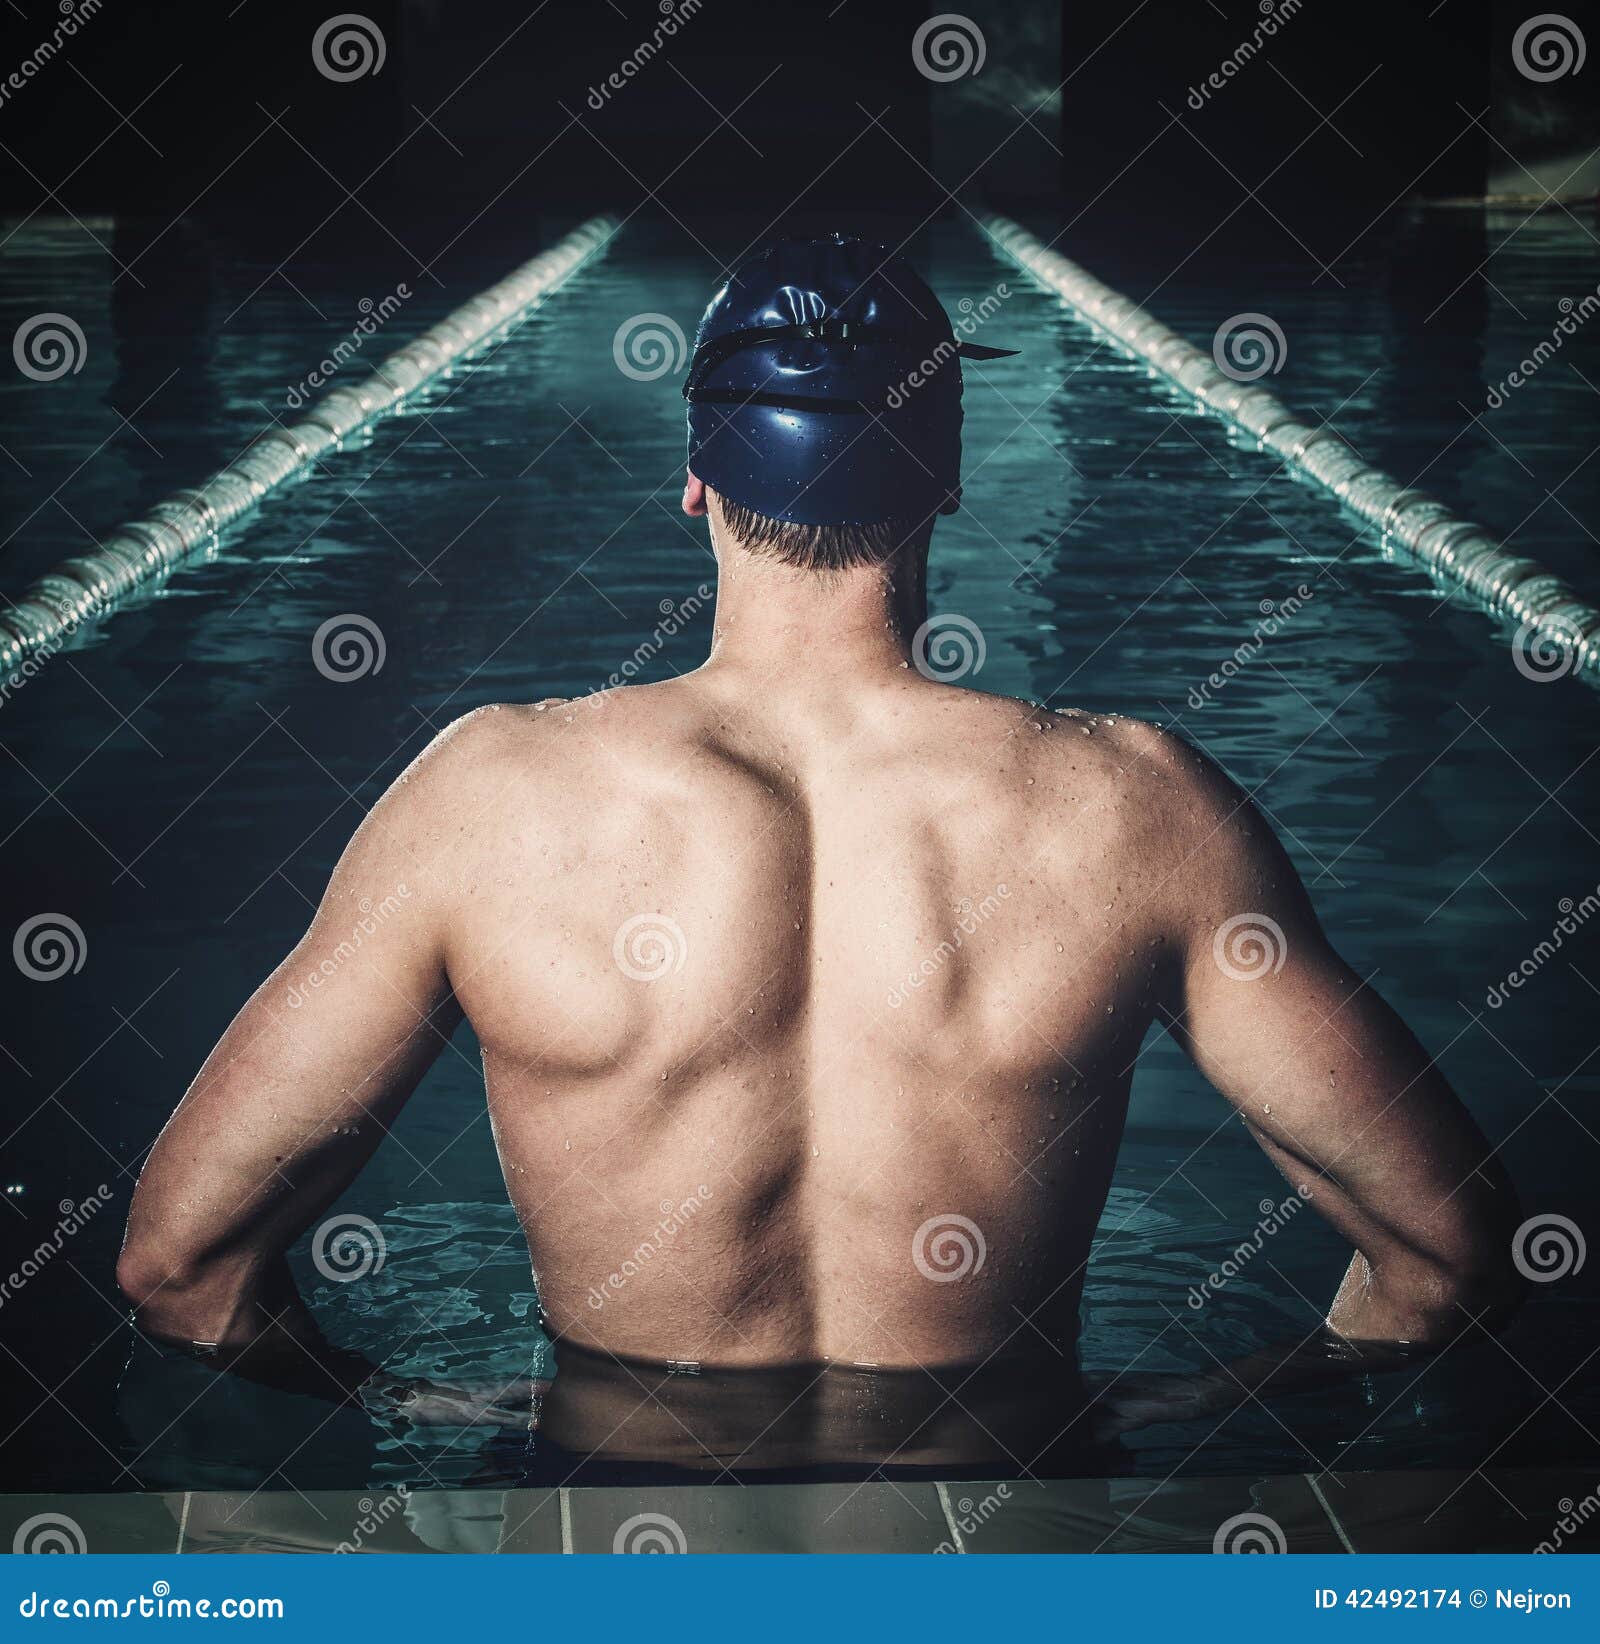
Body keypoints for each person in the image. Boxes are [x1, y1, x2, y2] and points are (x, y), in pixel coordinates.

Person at [117, 234, 1523, 1482]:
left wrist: (404, 1407)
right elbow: (1447, 1255)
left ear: (696, 481)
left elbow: (181, 1267)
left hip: (616, 1528)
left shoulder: (487, 800)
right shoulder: (1134, 808)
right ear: (945, 482)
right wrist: (1191, 1411)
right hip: (1002, 1515)